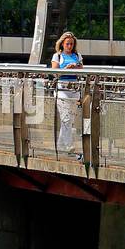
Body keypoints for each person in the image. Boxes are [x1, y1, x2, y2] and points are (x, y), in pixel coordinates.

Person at [51, 30, 84, 159]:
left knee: (69, 120)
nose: (69, 46)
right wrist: (66, 69)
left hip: (74, 90)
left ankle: (60, 145)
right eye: (67, 44)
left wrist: (75, 68)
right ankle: (70, 148)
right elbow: (55, 73)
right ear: (62, 44)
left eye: (71, 44)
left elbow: (82, 71)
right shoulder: (57, 56)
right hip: (62, 91)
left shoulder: (77, 56)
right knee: (65, 118)